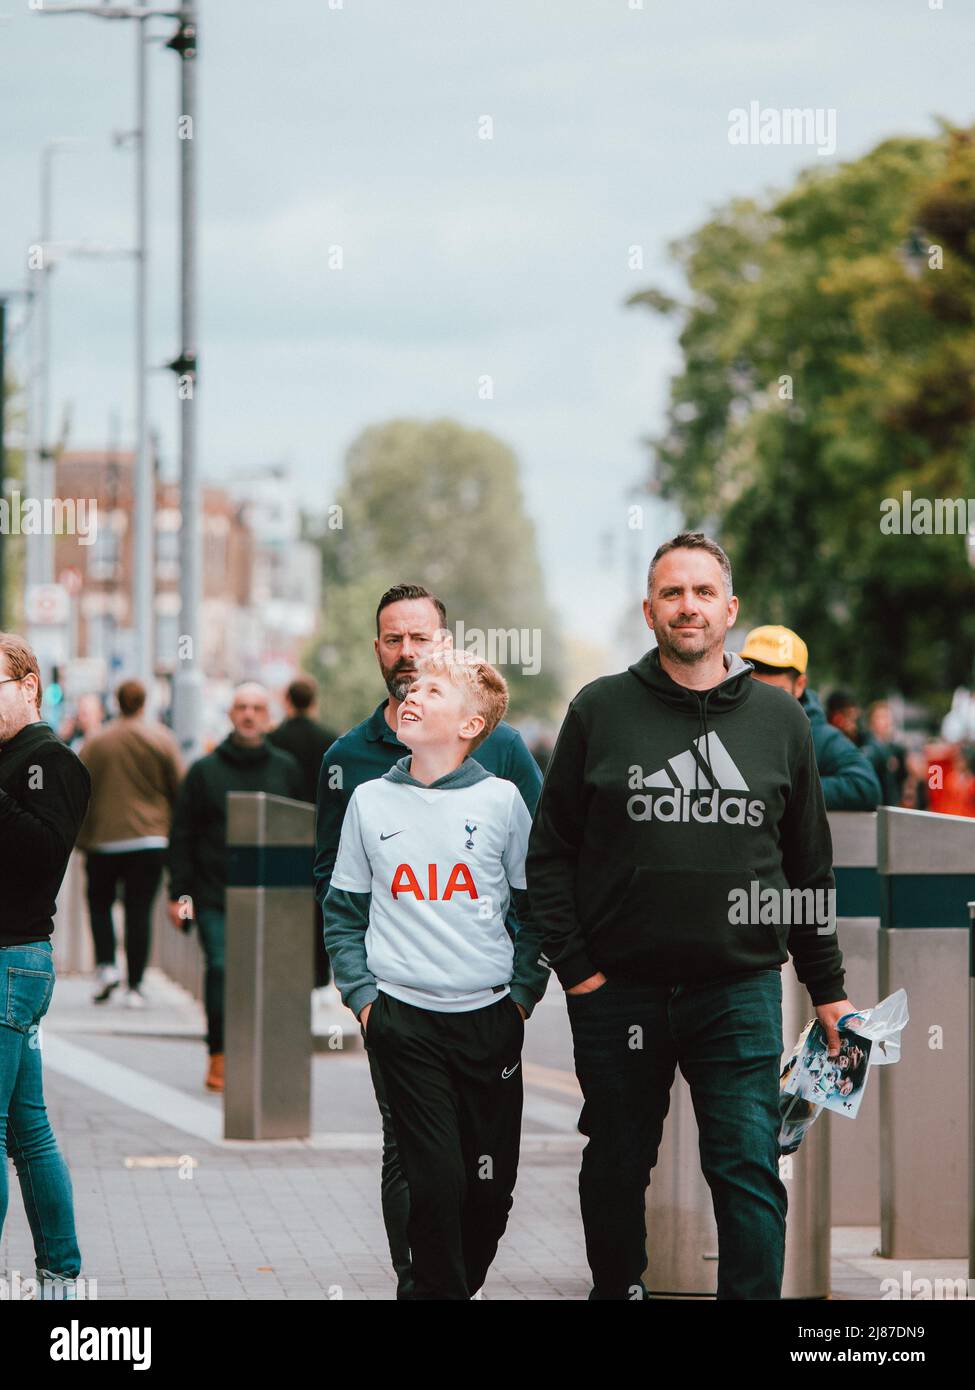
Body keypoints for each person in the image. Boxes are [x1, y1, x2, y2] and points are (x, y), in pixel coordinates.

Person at [525, 533, 856, 1301]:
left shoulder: (780, 722)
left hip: (736, 989)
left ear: (729, 610)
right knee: (613, 1161)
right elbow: (549, 857)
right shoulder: (600, 709)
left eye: (703, 592)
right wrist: (579, 974)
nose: (688, 606)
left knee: (745, 1168)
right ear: (648, 611)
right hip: (618, 993)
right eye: (671, 593)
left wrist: (829, 992)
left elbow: (805, 871)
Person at [313, 583, 542, 1298]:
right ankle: (421, 1283)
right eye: (392, 640)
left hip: (487, 1014)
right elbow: (339, 893)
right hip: (401, 1015)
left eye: (422, 646)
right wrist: (364, 999)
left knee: (486, 1186)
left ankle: (442, 1283)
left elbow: (541, 891)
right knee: (425, 1170)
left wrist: (522, 996)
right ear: (377, 646)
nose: (408, 662)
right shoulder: (356, 773)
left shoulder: (502, 769)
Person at [0, 631, 91, 1298]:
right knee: (28, 1131)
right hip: (12, 959)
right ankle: (60, 1276)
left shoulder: (50, 760)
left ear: (29, 685)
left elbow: (41, 855)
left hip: (11, 958)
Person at [167, 683, 302, 1092]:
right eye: (241, 707)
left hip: (274, 898)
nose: (248, 714)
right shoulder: (204, 771)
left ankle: (263, 1055)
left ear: (268, 716)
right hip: (214, 895)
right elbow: (183, 836)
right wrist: (180, 897)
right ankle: (219, 1055)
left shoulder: (287, 769)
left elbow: (301, 832)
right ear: (229, 714)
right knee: (223, 969)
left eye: (257, 707)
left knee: (268, 975)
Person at [77, 679, 184, 1006]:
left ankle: (107, 966)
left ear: (116, 702)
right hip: (150, 840)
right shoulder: (162, 740)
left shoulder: (97, 742)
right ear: (143, 703)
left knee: (99, 902)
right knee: (139, 910)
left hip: (104, 840)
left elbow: (80, 788)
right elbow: (178, 788)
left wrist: (81, 838)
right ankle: (135, 985)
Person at [739, 626, 881, 811]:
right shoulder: (729, 723)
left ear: (799, 685)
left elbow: (865, 787)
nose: (766, 702)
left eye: (778, 694)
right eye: (756, 688)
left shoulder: (819, 736)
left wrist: (784, 789)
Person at [268, 674, 338, 989]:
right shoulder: (330, 740)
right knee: (320, 905)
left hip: (282, 833)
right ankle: (320, 977)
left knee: (284, 903)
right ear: (314, 702)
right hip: (322, 833)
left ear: (287, 701)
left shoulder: (274, 740)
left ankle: (285, 968)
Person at [861, 701, 908, 806]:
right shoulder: (869, 750)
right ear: (871, 723)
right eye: (881, 717)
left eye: (888, 717)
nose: (886, 721)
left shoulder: (896, 750)